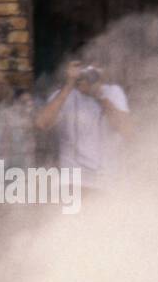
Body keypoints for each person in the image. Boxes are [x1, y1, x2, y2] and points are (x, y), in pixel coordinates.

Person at [34, 57, 130, 189]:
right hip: (72, 183)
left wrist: (100, 95)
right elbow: (41, 123)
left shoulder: (113, 92)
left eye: (95, 68)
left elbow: (127, 131)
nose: (90, 74)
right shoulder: (63, 95)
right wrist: (69, 85)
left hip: (107, 182)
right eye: (86, 69)